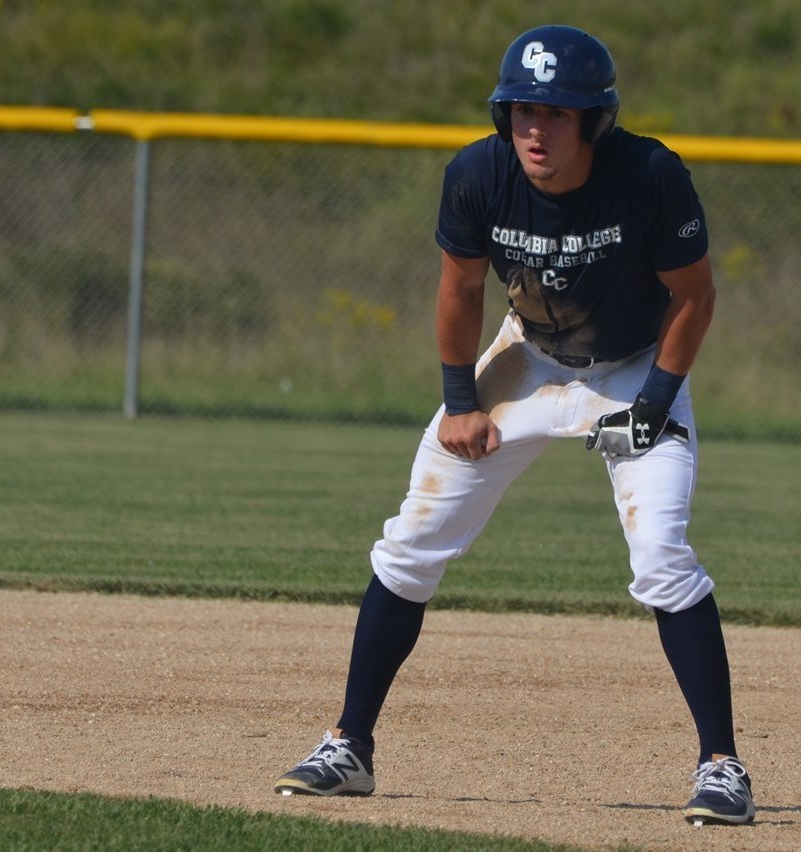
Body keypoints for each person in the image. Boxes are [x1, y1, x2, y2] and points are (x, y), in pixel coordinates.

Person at [274, 24, 754, 826]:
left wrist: (655, 403)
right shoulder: (478, 174)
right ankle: (348, 747)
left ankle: (722, 766)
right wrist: (460, 400)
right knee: (411, 541)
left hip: (634, 368)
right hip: (525, 358)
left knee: (661, 553)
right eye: (522, 110)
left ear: (592, 122)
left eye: (557, 114)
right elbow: (459, 289)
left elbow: (695, 297)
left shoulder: (648, 175)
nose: (536, 129)